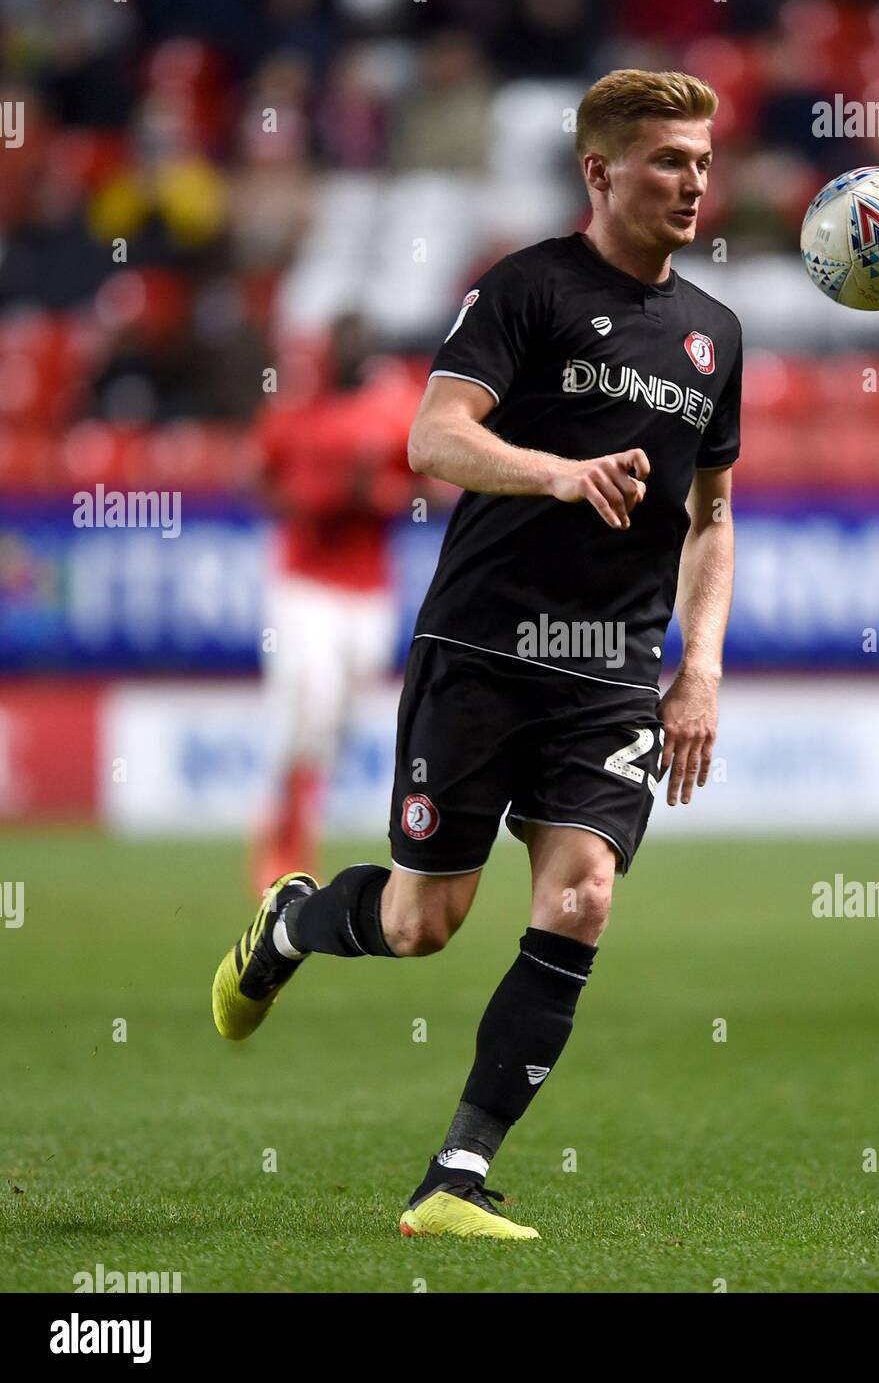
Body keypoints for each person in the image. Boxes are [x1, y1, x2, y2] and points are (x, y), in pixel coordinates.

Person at [212, 68, 742, 1241]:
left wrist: (697, 666)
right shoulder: (524, 288)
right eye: (666, 159)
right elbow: (432, 434)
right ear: (599, 171)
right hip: (484, 644)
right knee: (421, 923)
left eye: (701, 161)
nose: (692, 180)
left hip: (610, 666)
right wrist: (558, 471)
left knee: (582, 895)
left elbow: (711, 517)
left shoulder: (713, 336)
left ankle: (454, 1177)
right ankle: (290, 923)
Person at [251, 313, 417, 892]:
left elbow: (432, 484)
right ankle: (286, 841)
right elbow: (259, 481)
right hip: (306, 584)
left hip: (369, 590)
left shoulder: (393, 412)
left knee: (338, 721)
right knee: (312, 707)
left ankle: (289, 820)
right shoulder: (294, 411)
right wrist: (320, 497)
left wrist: (387, 494)